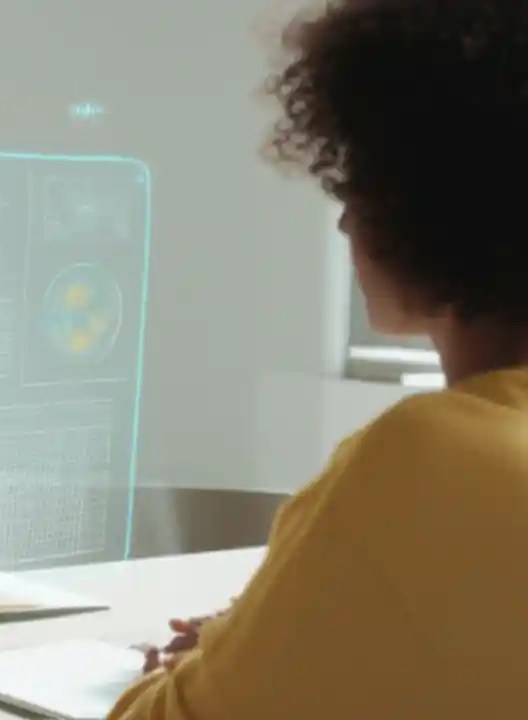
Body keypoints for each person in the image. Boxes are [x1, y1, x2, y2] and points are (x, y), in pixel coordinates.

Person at [109, 1, 528, 717]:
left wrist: (218, 658)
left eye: (354, 182)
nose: (343, 218)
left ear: (421, 204)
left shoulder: (425, 457)